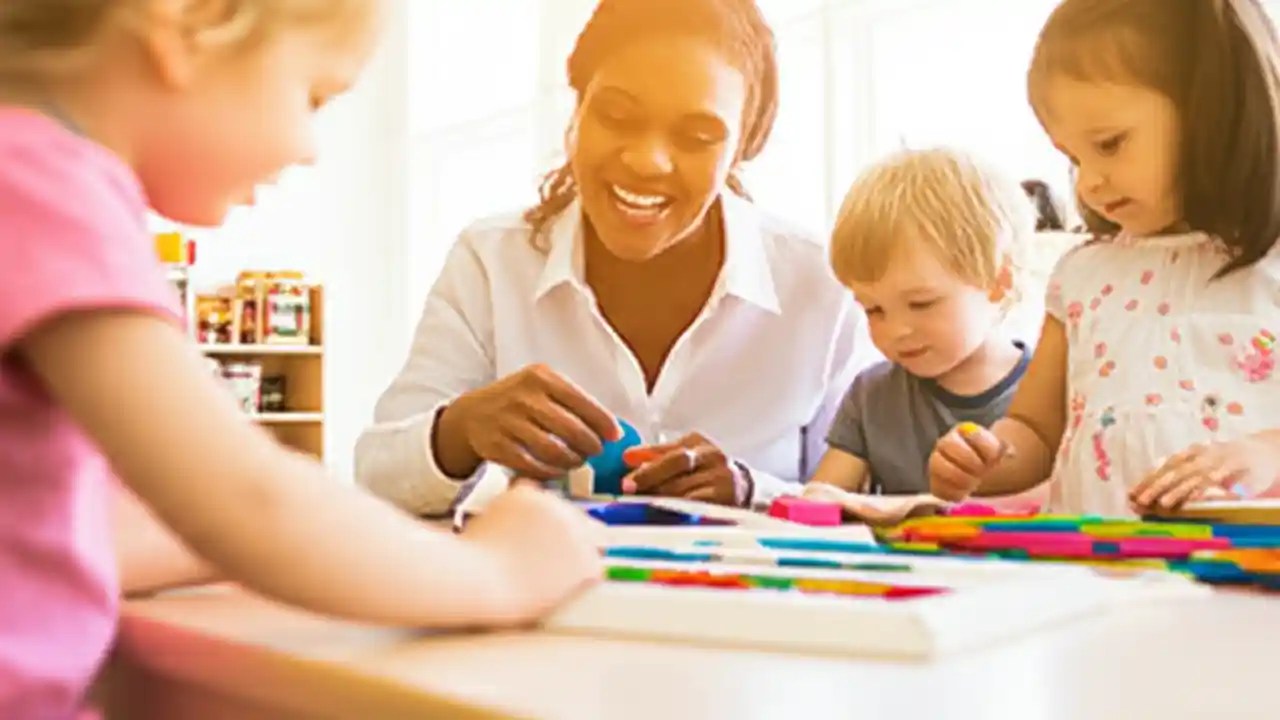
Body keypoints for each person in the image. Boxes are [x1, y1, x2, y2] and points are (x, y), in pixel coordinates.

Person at [0, 1, 601, 715]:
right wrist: (500, 573)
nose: (310, 147)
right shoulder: (41, 186)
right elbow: (250, 501)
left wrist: (274, 532)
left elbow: (71, 525)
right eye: (313, 95)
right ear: (193, 22)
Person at [355, 0, 875, 517]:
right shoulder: (492, 263)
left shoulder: (822, 286)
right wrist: (461, 430)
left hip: (760, 598)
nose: (647, 160)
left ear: (744, 146)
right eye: (616, 115)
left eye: (697, 137)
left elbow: (866, 499)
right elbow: (378, 477)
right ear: (577, 109)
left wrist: (749, 489)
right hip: (544, 596)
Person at [928, 0, 1280, 518]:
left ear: (1216, 108)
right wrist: (988, 458)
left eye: (1110, 145)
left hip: (1246, 577)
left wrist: (1266, 451)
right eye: (1073, 157)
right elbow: (1035, 429)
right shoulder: (1082, 277)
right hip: (1098, 573)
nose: (1089, 182)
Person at [801, 148, 1036, 523]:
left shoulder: (1049, 397)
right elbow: (818, 505)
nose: (896, 332)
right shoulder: (871, 396)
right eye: (873, 310)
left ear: (998, 283)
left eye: (922, 303)